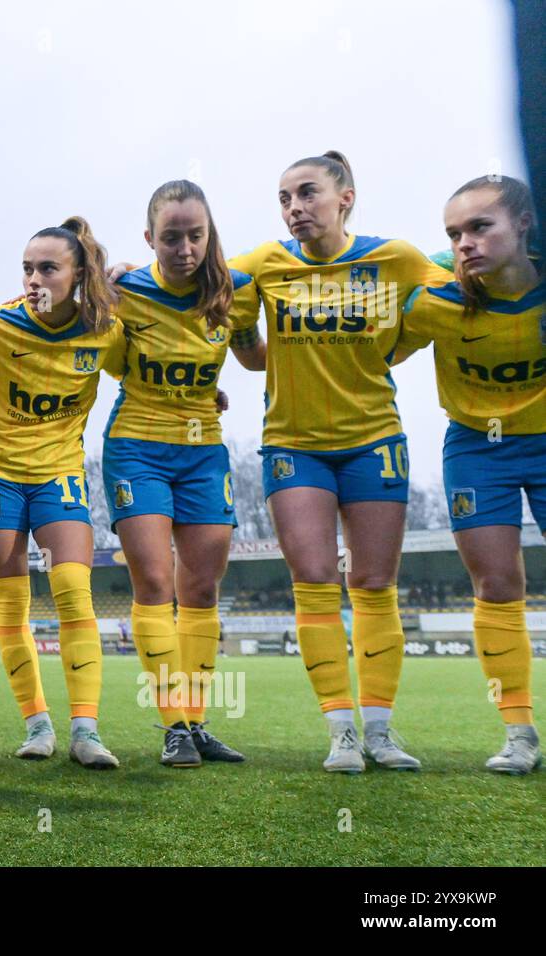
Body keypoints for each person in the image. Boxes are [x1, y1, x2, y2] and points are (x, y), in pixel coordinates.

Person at [227, 150, 450, 773]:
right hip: (294, 446)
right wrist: (243, 331)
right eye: (284, 199)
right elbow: (197, 279)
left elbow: (449, 300)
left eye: (307, 193)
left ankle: (380, 729)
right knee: (317, 581)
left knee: (376, 585)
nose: (294, 208)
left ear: (345, 197)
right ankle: (341, 732)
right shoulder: (264, 264)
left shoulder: (396, 260)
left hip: (374, 440)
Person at [0, 216, 121, 768]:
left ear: (78, 274)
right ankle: (37, 724)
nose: (34, 279)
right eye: (27, 268)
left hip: (61, 475)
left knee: (73, 592)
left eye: (48, 268)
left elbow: (144, 370)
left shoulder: (106, 330)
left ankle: (86, 731)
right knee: (13, 603)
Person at [103, 180, 261, 767]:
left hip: (203, 453)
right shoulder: (125, 292)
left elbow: (254, 355)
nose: (185, 248)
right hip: (137, 448)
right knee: (154, 584)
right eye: (171, 237)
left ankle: (196, 720)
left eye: (196, 235)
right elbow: (97, 349)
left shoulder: (236, 292)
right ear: (149, 239)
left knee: (201, 588)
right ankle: (172, 724)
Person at [392, 174, 543, 774]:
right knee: (498, 585)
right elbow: (368, 350)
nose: (465, 244)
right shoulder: (434, 295)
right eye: (454, 234)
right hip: (478, 447)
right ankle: (520, 733)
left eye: (481, 227)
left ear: (524, 224)